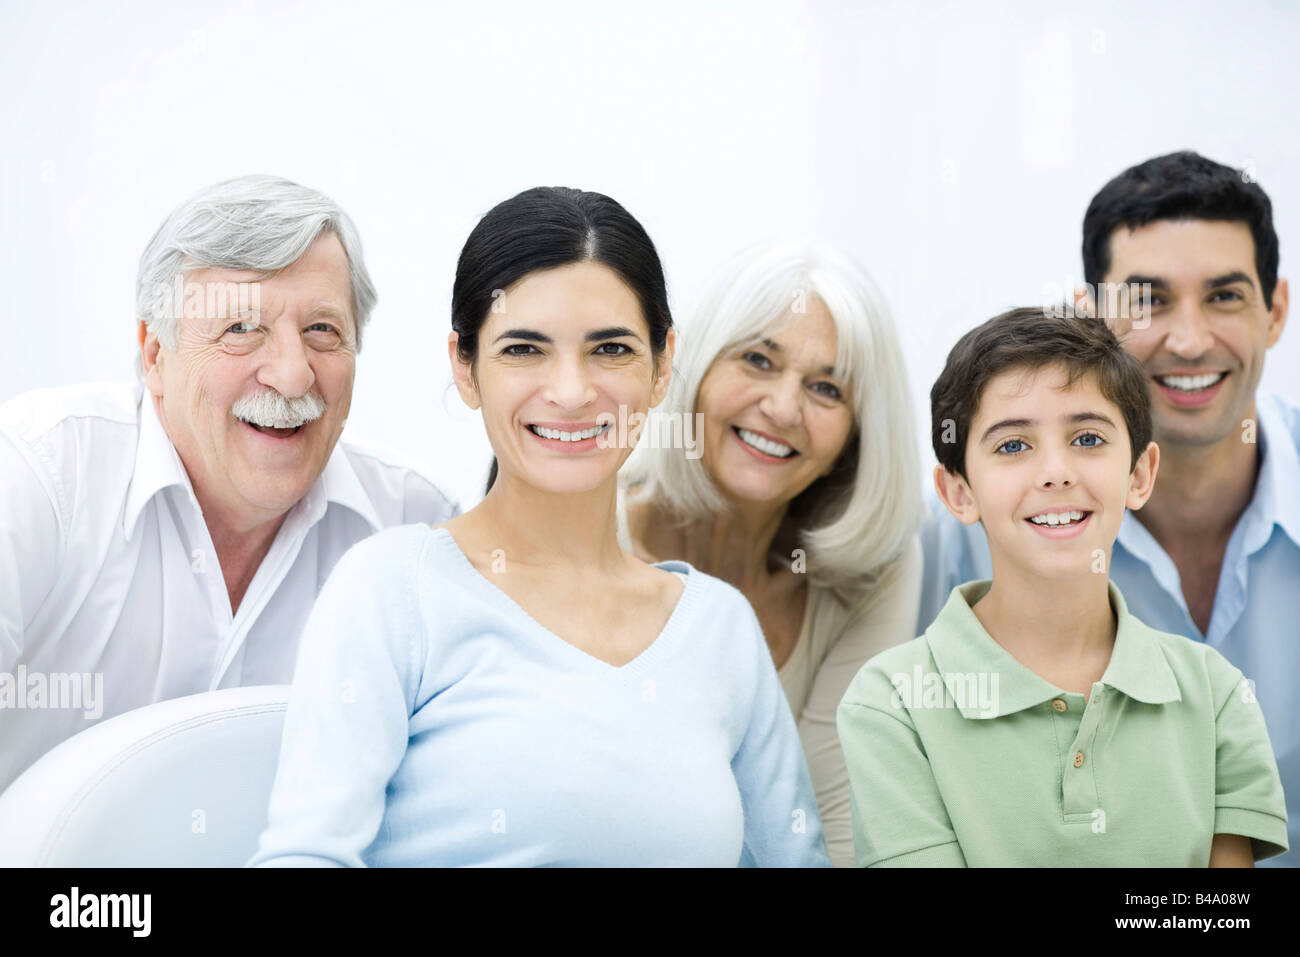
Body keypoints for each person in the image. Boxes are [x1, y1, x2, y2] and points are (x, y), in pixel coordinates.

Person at [248, 187, 830, 867]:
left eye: (610, 349)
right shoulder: (392, 592)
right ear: (465, 367)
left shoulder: (719, 628)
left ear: (663, 365)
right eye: (524, 349)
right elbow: (305, 856)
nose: (572, 391)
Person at [0, 175, 457, 792]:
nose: (293, 377)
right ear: (155, 354)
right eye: (240, 328)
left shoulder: (414, 525)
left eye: (323, 330)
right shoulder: (39, 475)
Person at [917, 151, 1298, 865]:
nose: (1187, 340)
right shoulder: (969, 533)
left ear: (1274, 311)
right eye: (1148, 300)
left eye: (1224, 296)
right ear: (1092, 317)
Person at [839, 306, 1287, 867]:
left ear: (1140, 475)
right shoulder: (892, 703)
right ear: (958, 493)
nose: (1056, 471)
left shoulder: (1216, 694)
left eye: (1088, 438)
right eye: (1012, 446)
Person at [616, 241, 922, 867]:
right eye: (757, 360)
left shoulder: (873, 572)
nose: (783, 409)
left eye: (826, 389)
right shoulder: (590, 523)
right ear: (693, 366)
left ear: (855, 436)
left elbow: (831, 823)